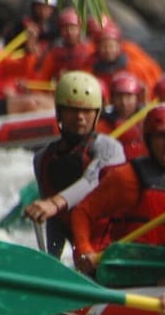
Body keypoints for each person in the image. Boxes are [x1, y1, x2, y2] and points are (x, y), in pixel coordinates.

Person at [69, 103, 165, 274]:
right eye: (162, 137)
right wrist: (83, 250)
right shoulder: (126, 177)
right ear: (149, 140)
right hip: (129, 268)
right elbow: (81, 212)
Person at [25, 72, 126, 258]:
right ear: (59, 113)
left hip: (112, 249)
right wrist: (52, 261)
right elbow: (55, 222)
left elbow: (92, 180)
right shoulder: (43, 158)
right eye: (72, 110)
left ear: (96, 114)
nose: (80, 117)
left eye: (87, 111)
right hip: (83, 255)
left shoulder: (111, 148)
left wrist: (55, 204)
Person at [34, 7, 93, 83]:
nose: (69, 32)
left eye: (73, 28)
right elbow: (44, 74)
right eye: (65, 28)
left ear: (79, 29)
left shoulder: (89, 48)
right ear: (60, 30)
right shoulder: (54, 51)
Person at [98, 71, 147, 159]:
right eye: (119, 96)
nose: (124, 102)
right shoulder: (102, 125)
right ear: (112, 98)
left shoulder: (146, 123)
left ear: (137, 98)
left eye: (129, 96)